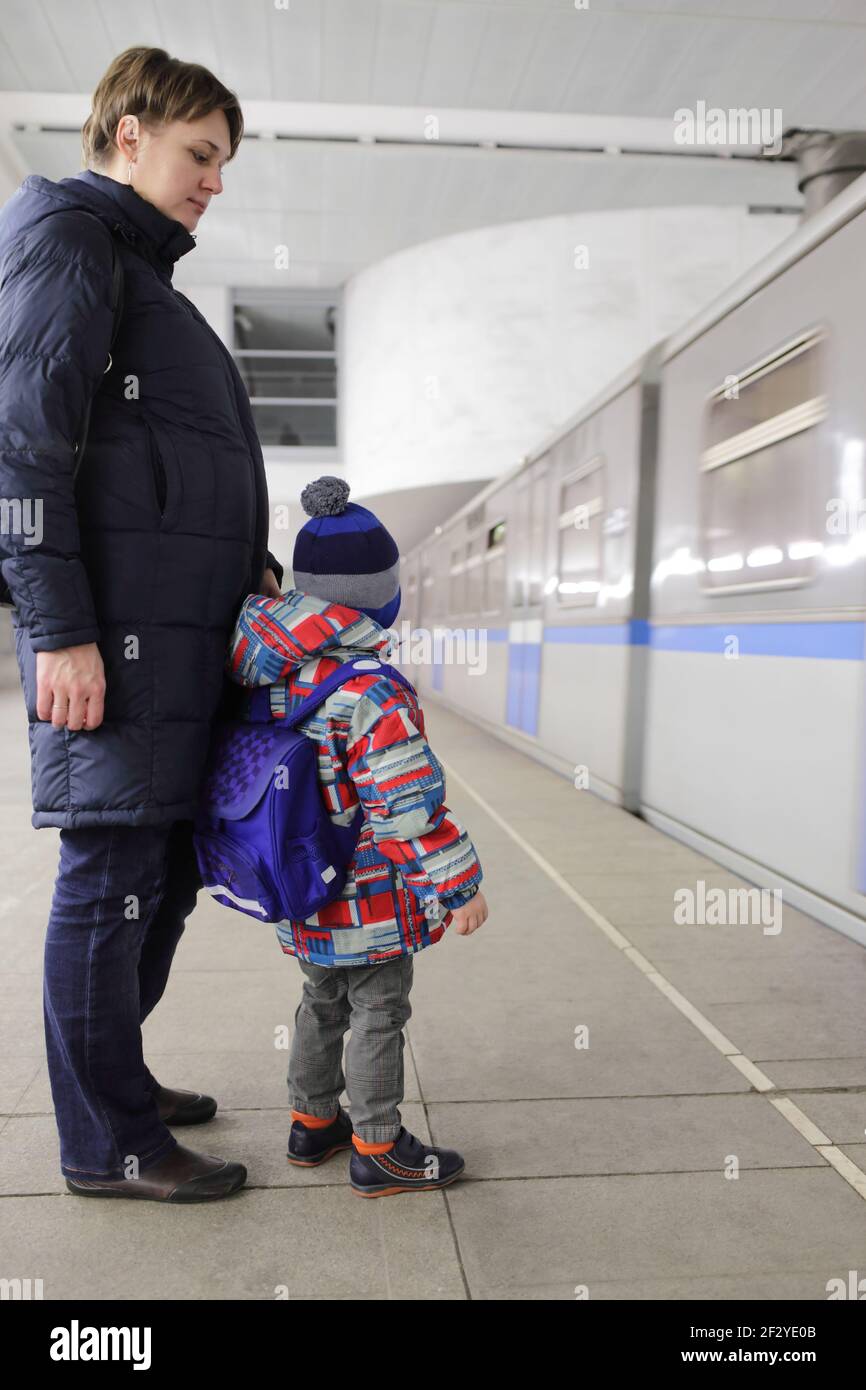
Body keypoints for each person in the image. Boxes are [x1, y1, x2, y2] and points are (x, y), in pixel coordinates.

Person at [0, 47, 284, 1203]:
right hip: (112, 643)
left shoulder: (139, 273)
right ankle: (108, 1140)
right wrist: (57, 628)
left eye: (223, 161)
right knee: (112, 875)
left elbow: (155, 462)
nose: (214, 181)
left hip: (171, 643)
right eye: (199, 154)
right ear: (128, 133)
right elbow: (21, 451)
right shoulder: (69, 239)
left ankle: (114, 1076)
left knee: (159, 877)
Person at [226, 475, 490, 1196]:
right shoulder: (373, 690)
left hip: (295, 880)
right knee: (379, 1007)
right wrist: (458, 883)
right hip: (369, 892)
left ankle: (311, 1124)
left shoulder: (263, 673)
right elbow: (406, 807)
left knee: (320, 999)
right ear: (383, 597)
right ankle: (378, 1146)